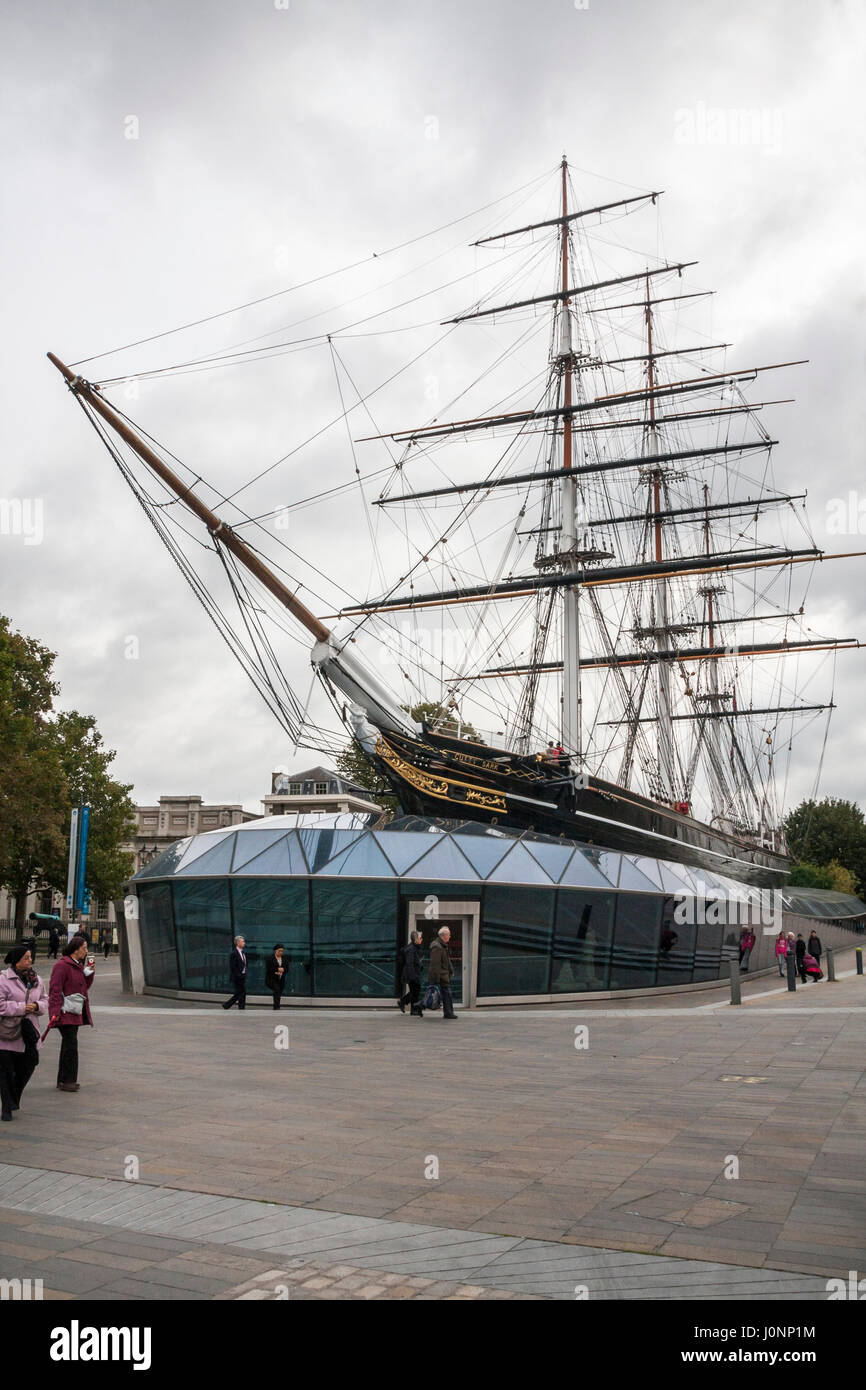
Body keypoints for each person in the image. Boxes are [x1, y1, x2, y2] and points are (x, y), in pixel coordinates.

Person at [0, 946, 48, 1120]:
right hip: (7, 1033)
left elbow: (44, 1000)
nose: (30, 960)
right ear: (16, 960)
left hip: (29, 1031)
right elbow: (1, 1005)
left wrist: (36, 1006)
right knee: (5, 1071)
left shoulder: (36, 979)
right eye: (26, 958)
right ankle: (7, 1107)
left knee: (29, 1064)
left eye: (30, 957)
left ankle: (13, 1097)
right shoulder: (3, 980)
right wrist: (21, 1007)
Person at [48, 935, 95, 1093]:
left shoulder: (77, 965)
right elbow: (55, 990)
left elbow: (84, 987)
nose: (86, 951)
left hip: (75, 1011)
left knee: (68, 1045)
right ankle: (68, 1080)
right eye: (84, 948)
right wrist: (54, 1012)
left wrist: (89, 974)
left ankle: (63, 1079)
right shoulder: (62, 966)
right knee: (71, 1046)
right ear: (76, 949)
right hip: (65, 1011)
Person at [428, 926, 457, 1020]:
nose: (450, 936)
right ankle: (448, 1013)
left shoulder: (442, 946)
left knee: (445, 994)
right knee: (446, 994)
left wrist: (451, 970)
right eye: (449, 935)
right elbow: (435, 964)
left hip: (444, 974)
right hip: (441, 975)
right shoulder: (437, 946)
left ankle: (448, 1012)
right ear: (444, 936)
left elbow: (447, 961)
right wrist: (436, 979)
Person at [398, 931, 424, 1016]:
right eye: (420, 938)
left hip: (413, 973)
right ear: (415, 939)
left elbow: (414, 961)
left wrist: (419, 964)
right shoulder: (411, 949)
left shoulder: (414, 947)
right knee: (415, 992)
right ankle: (413, 1010)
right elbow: (409, 963)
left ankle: (403, 1002)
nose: (422, 939)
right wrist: (413, 976)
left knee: (414, 991)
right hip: (411, 974)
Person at [223, 935, 248, 1010]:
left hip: (242, 976)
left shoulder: (242, 953)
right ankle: (230, 1005)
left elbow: (244, 964)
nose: (244, 943)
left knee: (240, 993)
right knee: (241, 992)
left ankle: (229, 1005)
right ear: (238, 943)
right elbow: (233, 967)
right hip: (238, 977)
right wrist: (238, 975)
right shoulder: (234, 953)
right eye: (243, 941)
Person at [265, 944, 288, 1010]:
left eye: (282, 951)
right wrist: (277, 969)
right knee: (276, 990)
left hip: (281, 980)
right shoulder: (270, 958)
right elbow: (269, 968)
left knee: (278, 993)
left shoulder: (284, 959)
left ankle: (276, 1006)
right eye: (279, 951)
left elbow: (287, 968)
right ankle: (276, 1007)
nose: (281, 952)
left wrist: (283, 970)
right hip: (271, 979)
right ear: (275, 951)